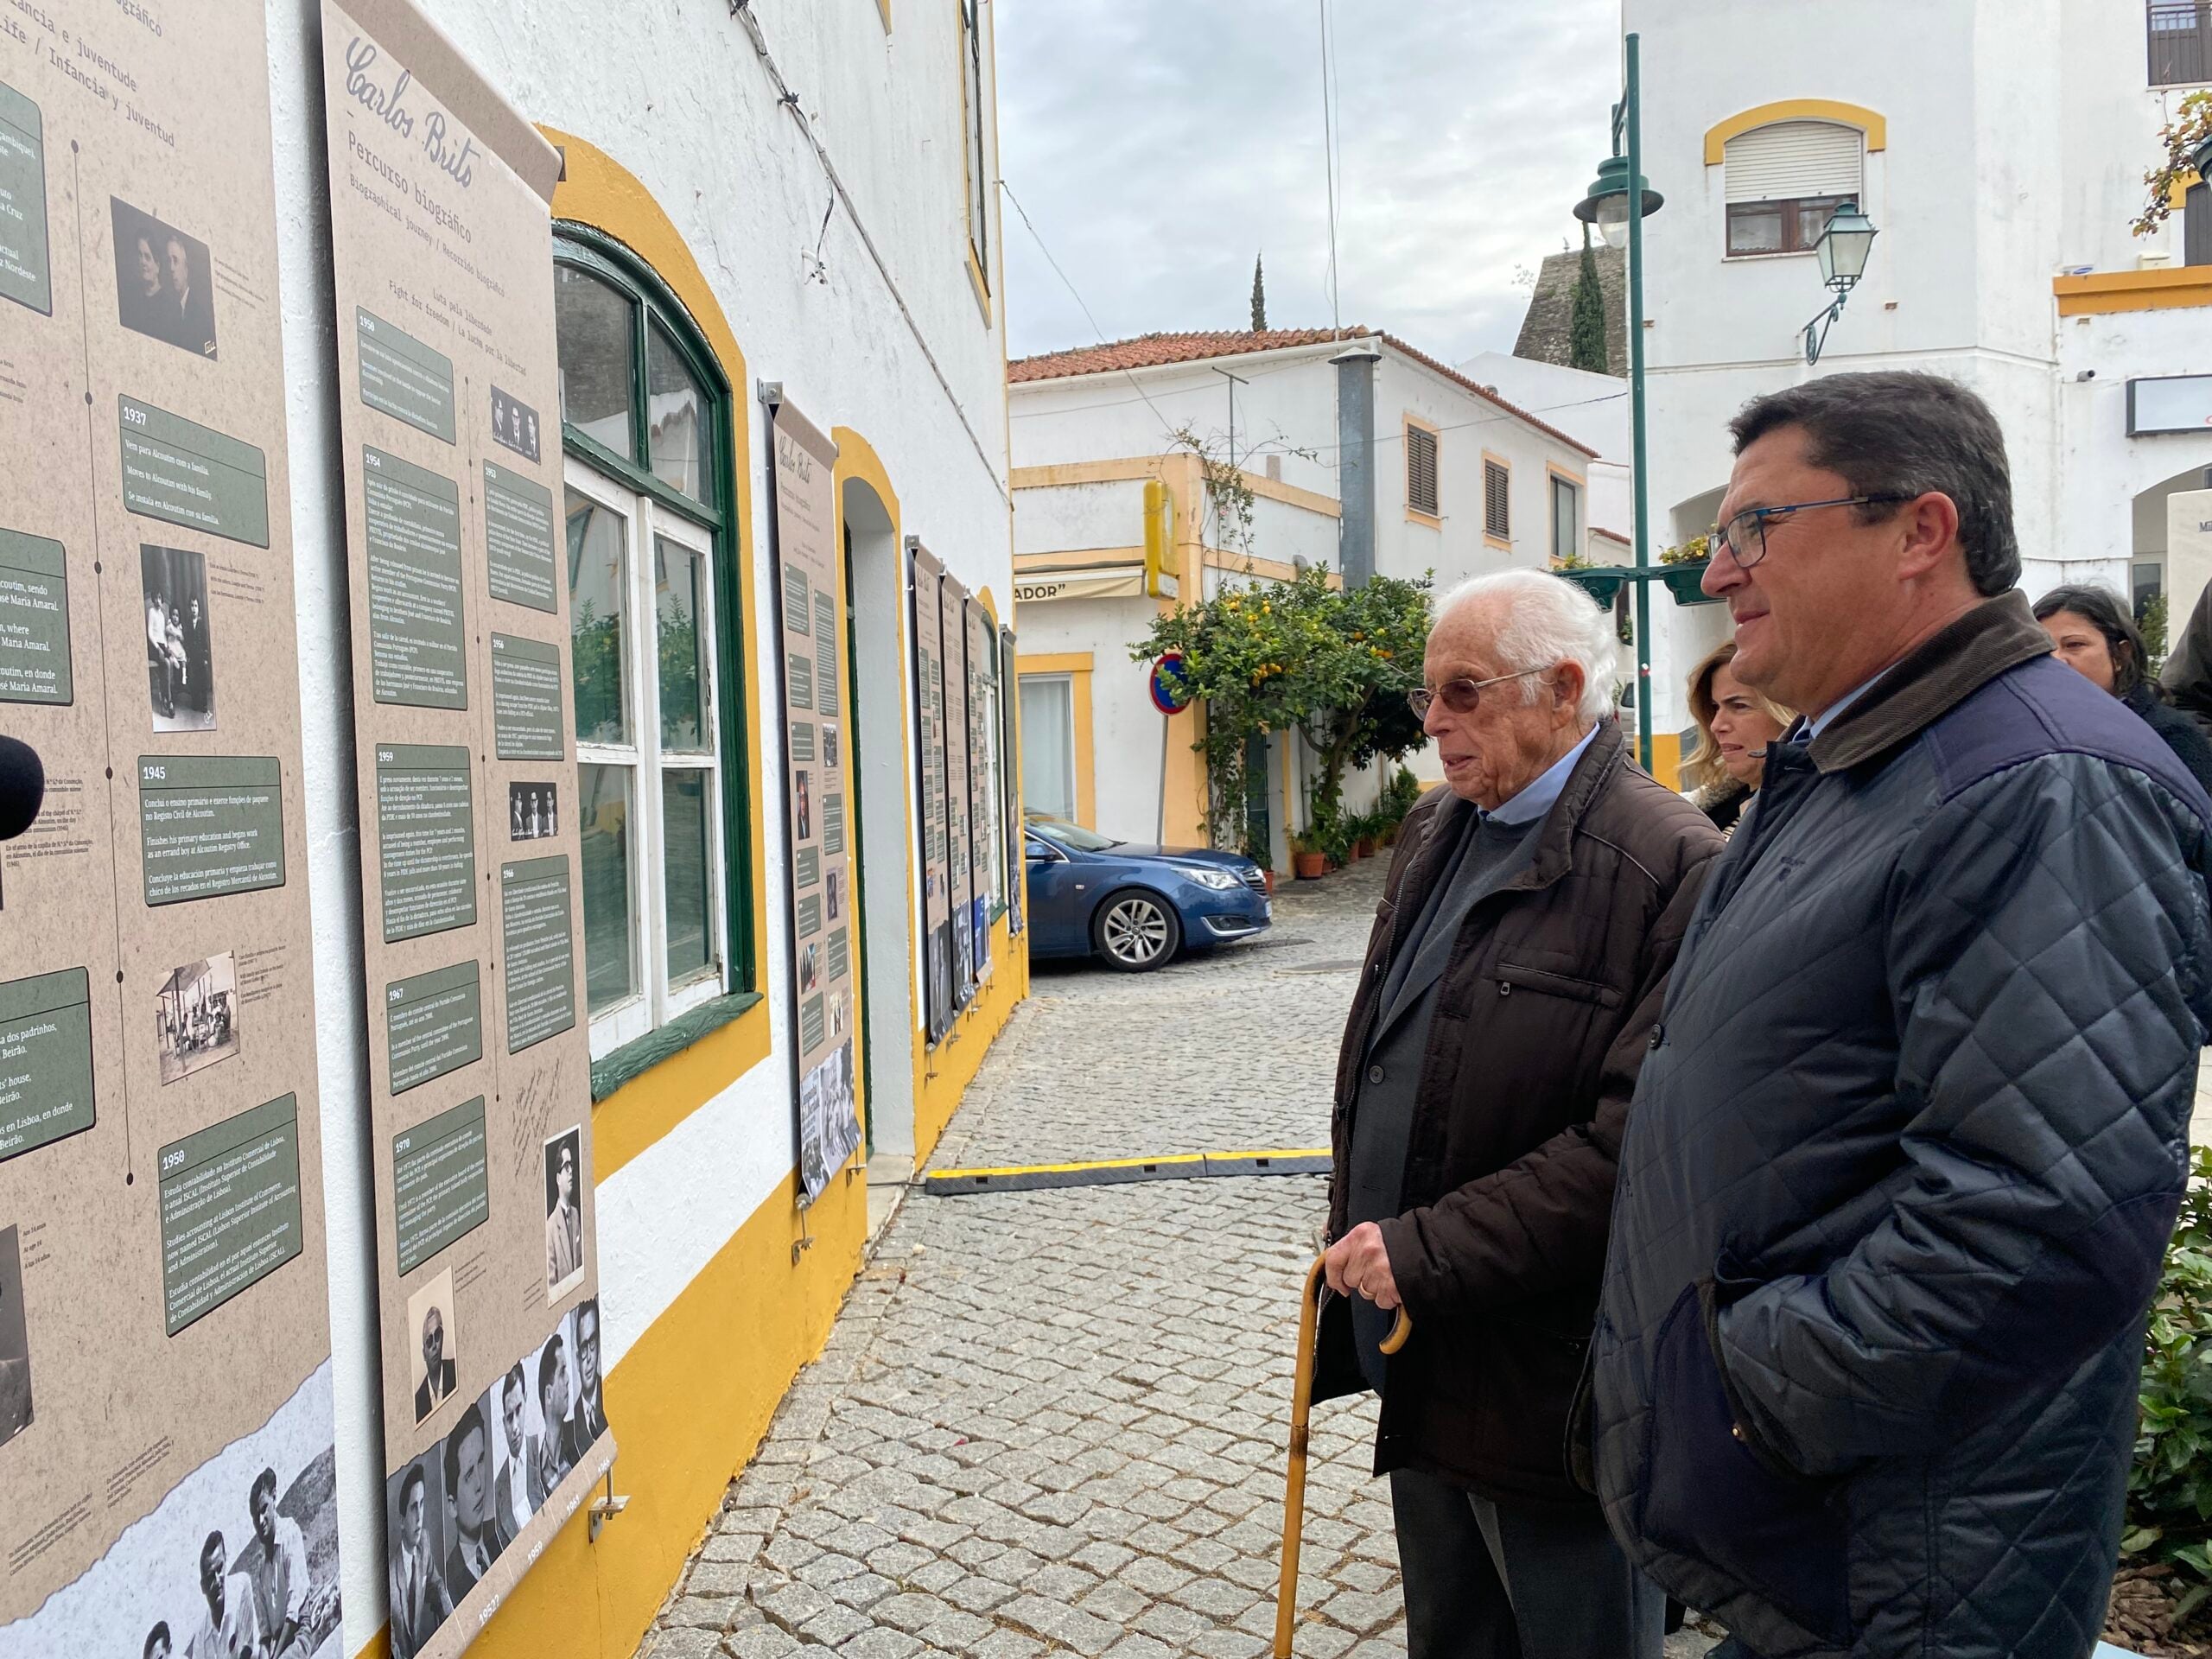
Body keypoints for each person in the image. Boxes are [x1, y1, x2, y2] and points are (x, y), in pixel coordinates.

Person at [1592, 372, 2212, 1659]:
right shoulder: (1857, 758)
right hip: (1826, 1538)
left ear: (1922, 531)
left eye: (1756, 527)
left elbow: (2041, 1221)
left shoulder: (2038, 783)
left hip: (1908, 1565)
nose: (1718, 569)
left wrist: (1739, 1388)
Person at [1315, 569, 1724, 1659]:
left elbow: (1637, 1148)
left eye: (1464, 691)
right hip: (1422, 1349)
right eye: (1427, 696)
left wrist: (1425, 1248)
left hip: (1554, 1386)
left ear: (1562, 688)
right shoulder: (1436, 826)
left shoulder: (1672, 863)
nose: (1433, 723)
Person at [2035, 583, 2212, 796]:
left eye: (2074, 645)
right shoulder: (2031, 734)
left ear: (2120, 655)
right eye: (2044, 649)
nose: (2056, 660)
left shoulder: (2170, 737)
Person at [1680, 640, 1795, 832]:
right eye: (1715, 707)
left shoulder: (1805, 818)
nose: (1716, 725)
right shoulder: (1702, 811)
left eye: (1739, 706)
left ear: (1788, 713)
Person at [387, 1465, 453, 1659]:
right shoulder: (390, 1580)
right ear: (402, 1521)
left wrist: (452, 1620)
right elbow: (390, 1644)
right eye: (413, 1507)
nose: (419, 1517)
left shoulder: (424, 1542)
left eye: (422, 1504)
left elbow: (436, 1585)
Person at [243, 1466, 308, 1659]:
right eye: (255, 1516)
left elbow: (293, 1615)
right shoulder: (261, 1570)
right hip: (278, 1643)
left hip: (298, 1634)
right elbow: (265, 1635)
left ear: (274, 1497)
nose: (260, 1520)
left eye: (264, 1509)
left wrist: (275, 1656)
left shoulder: (290, 1534)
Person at [442, 1402, 503, 1601]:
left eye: (481, 1461)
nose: (479, 1483)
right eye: (469, 1474)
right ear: (452, 1506)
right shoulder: (448, 1583)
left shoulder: (502, 1530)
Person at [188, 1530, 260, 1659]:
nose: (217, 1580)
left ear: (225, 1560)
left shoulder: (241, 1587)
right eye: (211, 1577)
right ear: (203, 1587)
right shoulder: (201, 1637)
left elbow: (249, 1647)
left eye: (220, 1568)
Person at [529, 1336, 575, 1509]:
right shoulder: (538, 1472)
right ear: (548, 1394)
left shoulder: (576, 1438)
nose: (568, 1379)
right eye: (562, 1372)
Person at [493, 1363, 532, 1542]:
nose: (515, 1427)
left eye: (519, 1410)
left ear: (526, 1400)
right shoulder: (498, 1488)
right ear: (503, 1423)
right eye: (510, 1418)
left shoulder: (540, 1450)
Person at [165, 232, 214, 357]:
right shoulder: (168, 312)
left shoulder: (201, 317)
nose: (171, 268)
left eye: (176, 261)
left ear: (186, 269)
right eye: (168, 261)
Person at [569, 1301, 608, 1447]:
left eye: (592, 1342)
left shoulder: (608, 1394)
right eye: (583, 1348)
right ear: (577, 1359)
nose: (589, 1358)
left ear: (598, 1344)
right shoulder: (572, 1423)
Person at [545, 1138, 582, 1292]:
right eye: (566, 1166)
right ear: (558, 1178)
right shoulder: (550, 1227)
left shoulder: (576, 1214)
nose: (571, 1170)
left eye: (571, 1165)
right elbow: (551, 1287)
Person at [414, 1304, 455, 1421]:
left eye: (437, 1335)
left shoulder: (455, 1371)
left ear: (443, 1337)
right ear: (424, 1354)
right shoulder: (417, 1402)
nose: (434, 1346)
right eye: (428, 1341)